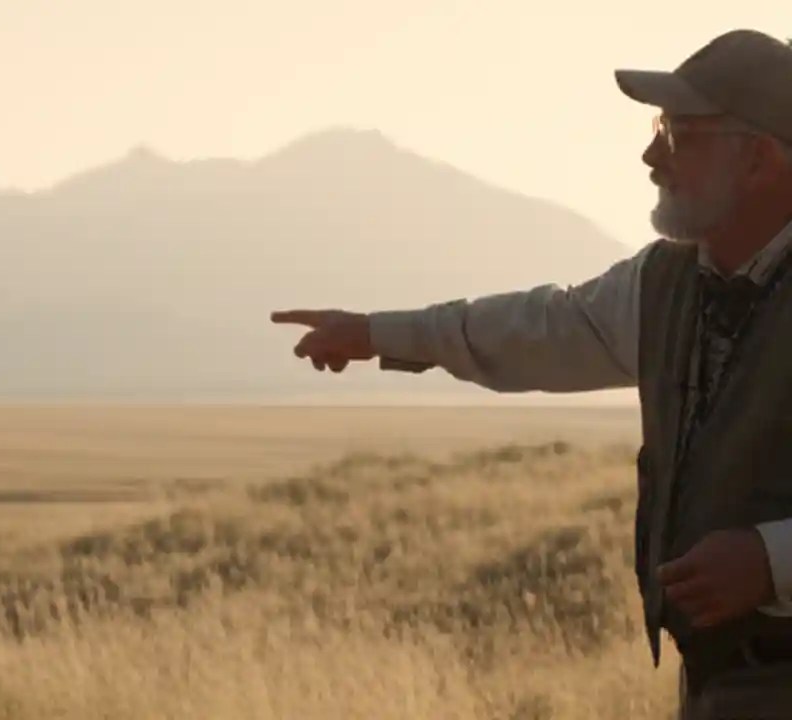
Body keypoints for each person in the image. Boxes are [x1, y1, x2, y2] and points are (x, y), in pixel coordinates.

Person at [272, 28, 792, 718]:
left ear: (758, 161)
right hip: (717, 686)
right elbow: (539, 330)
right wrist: (374, 333)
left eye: (678, 132)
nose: (649, 155)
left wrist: (772, 560)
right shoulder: (665, 283)